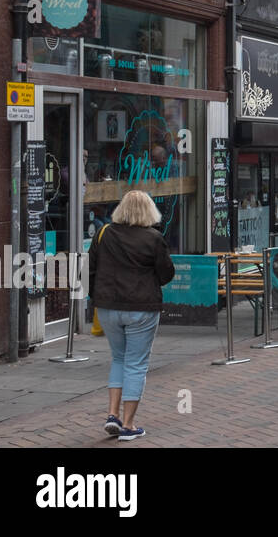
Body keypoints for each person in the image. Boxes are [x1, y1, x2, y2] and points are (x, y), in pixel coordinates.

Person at [89, 189, 175, 442]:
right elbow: (166, 274)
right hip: (141, 307)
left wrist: (96, 296)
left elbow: (91, 269)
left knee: (118, 358)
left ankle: (112, 414)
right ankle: (128, 425)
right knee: (136, 363)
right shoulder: (153, 238)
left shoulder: (103, 234)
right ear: (149, 211)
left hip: (108, 306)